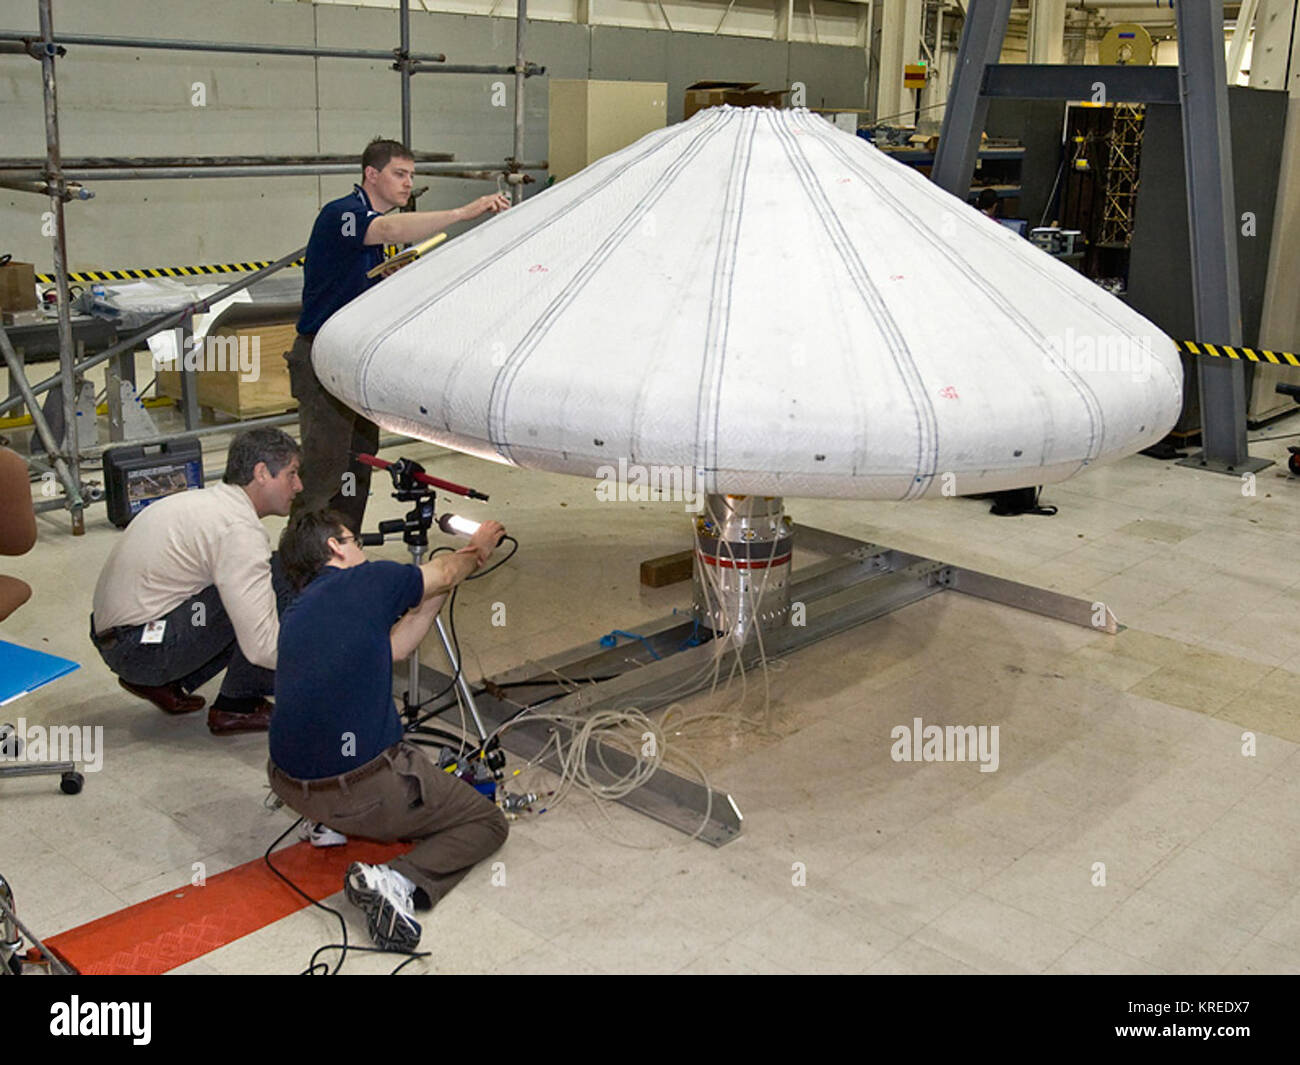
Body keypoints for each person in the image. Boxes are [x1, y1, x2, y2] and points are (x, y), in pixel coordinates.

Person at [269, 507, 509, 952]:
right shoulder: (367, 581)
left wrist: (438, 588)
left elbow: (396, 647)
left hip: (290, 784)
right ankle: (394, 881)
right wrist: (480, 548)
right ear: (334, 547)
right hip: (360, 792)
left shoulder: (303, 609)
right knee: (485, 821)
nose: (360, 548)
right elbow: (443, 568)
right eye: (353, 540)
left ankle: (327, 823)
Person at [289, 138, 511, 532]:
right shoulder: (342, 214)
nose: (408, 183)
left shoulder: (369, 235)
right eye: (399, 174)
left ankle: (342, 548)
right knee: (325, 466)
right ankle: (301, 565)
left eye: (411, 175)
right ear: (371, 174)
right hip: (322, 357)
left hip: (352, 359)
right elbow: (388, 229)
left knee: (359, 461)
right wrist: (465, 212)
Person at [90, 427, 301, 735]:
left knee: (239, 585)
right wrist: (320, 666)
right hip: (140, 649)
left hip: (122, 639)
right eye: (291, 474)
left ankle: (168, 681)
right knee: (280, 572)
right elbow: (261, 648)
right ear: (261, 473)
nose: (299, 486)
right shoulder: (238, 530)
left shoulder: (204, 502)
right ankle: (237, 706)